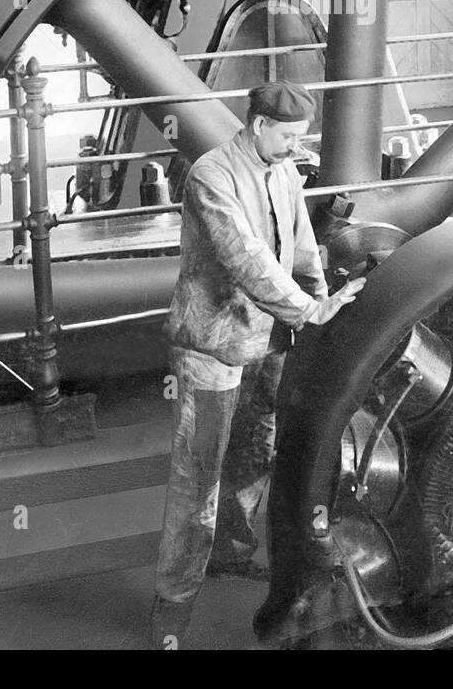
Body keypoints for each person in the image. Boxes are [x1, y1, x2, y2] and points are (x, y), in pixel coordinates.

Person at [149, 81, 365, 649]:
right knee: (197, 478)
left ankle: (231, 552)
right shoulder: (211, 175)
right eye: (289, 135)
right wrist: (307, 311)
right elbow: (245, 258)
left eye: (302, 137)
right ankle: (172, 605)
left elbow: (298, 250)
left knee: (253, 452)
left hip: (266, 342)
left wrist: (323, 307)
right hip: (212, 347)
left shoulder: (285, 171)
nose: (296, 146)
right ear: (258, 124)